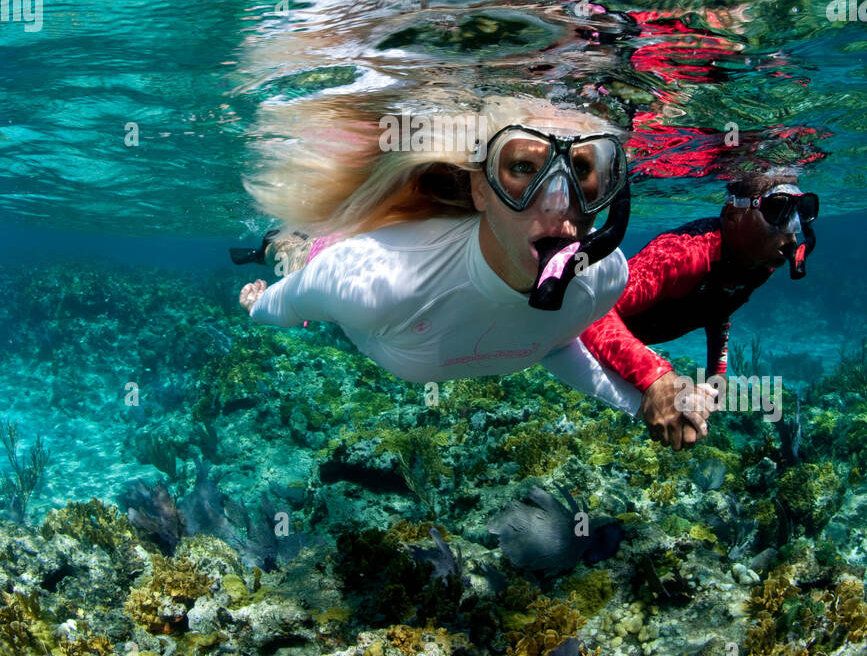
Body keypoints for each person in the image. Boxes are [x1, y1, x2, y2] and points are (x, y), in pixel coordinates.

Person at [235, 94, 675, 413]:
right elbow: (288, 302)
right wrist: (258, 305)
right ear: (481, 189)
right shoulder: (376, 285)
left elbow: (550, 343)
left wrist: (640, 403)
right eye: (523, 168)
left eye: (582, 170)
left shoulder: (604, 278)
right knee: (295, 251)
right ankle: (282, 242)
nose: (560, 203)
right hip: (345, 247)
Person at [577, 169, 819, 449]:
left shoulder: (760, 265)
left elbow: (721, 304)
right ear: (732, 216)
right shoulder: (683, 255)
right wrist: (657, 380)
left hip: (628, 345)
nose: (792, 231)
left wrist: (717, 373)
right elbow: (591, 312)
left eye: (800, 213)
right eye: (778, 211)